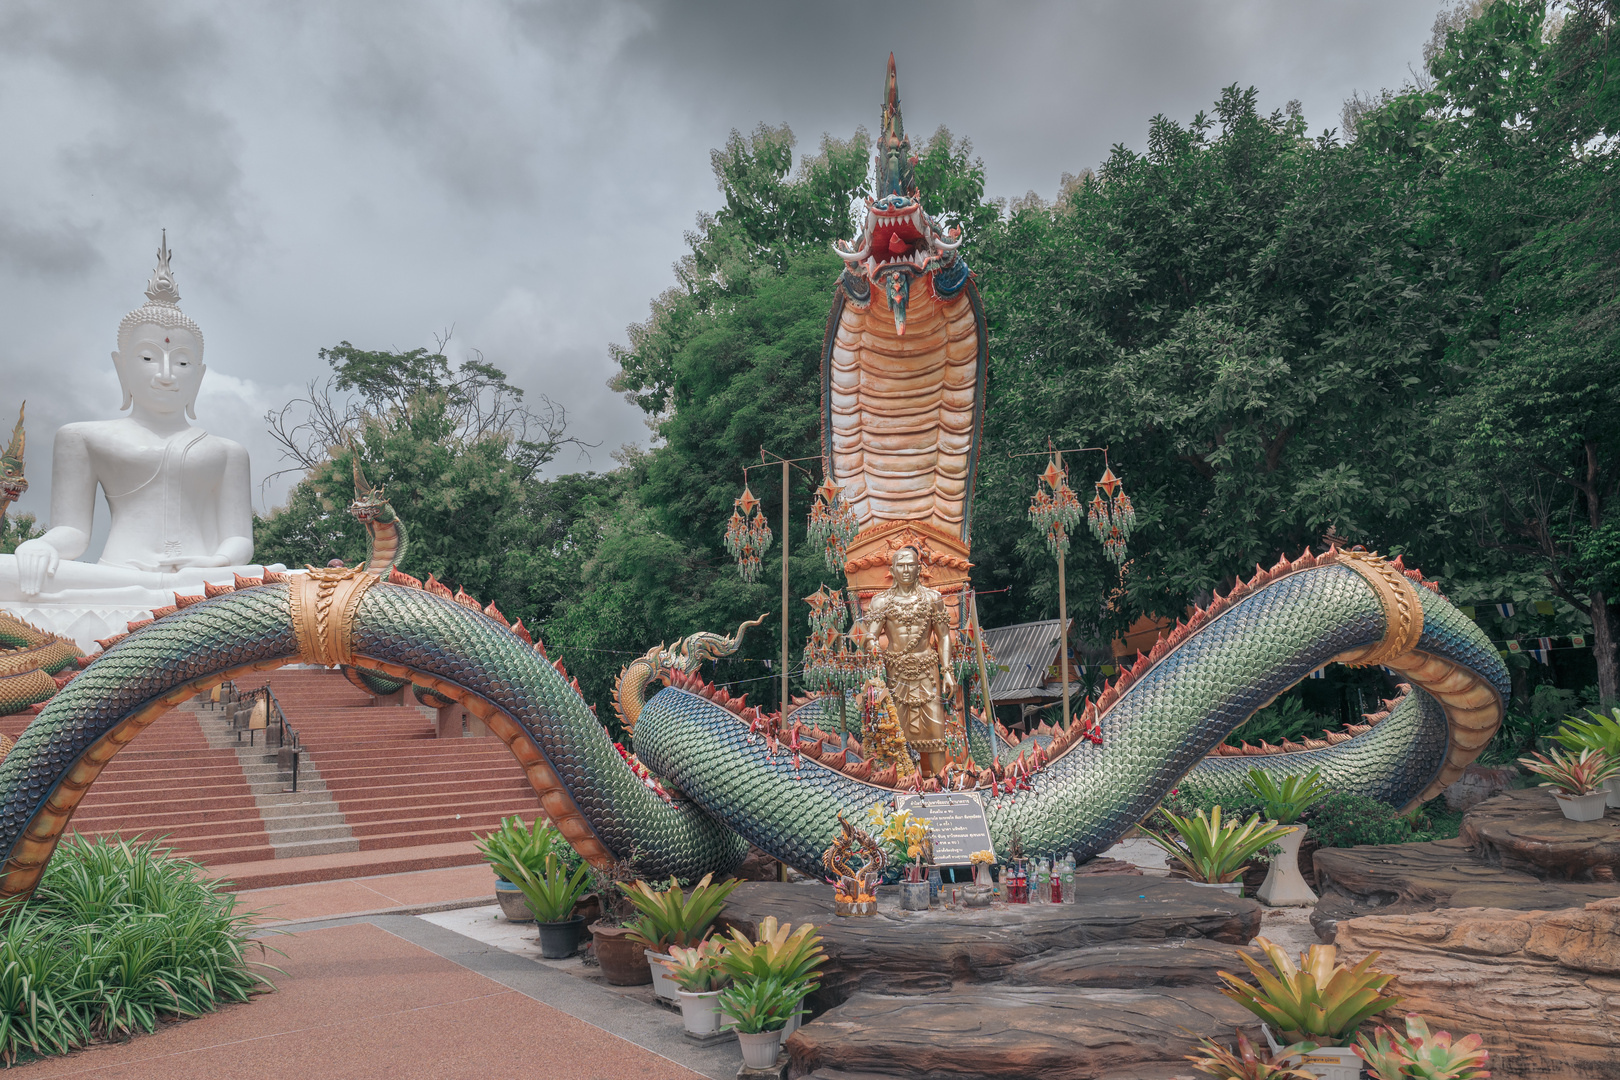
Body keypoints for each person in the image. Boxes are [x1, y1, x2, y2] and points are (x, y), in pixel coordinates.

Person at [860, 546, 955, 776]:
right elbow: (869, 636)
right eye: (900, 565)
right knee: (895, 734)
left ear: (918, 568)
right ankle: (903, 789)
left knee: (936, 735)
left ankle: (941, 789)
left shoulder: (933, 599)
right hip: (896, 674)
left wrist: (948, 671)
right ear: (892, 570)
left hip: (928, 671)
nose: (905, 570)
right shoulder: (881, 602)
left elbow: (943, 636)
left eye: (910, 565)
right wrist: (871, 646)